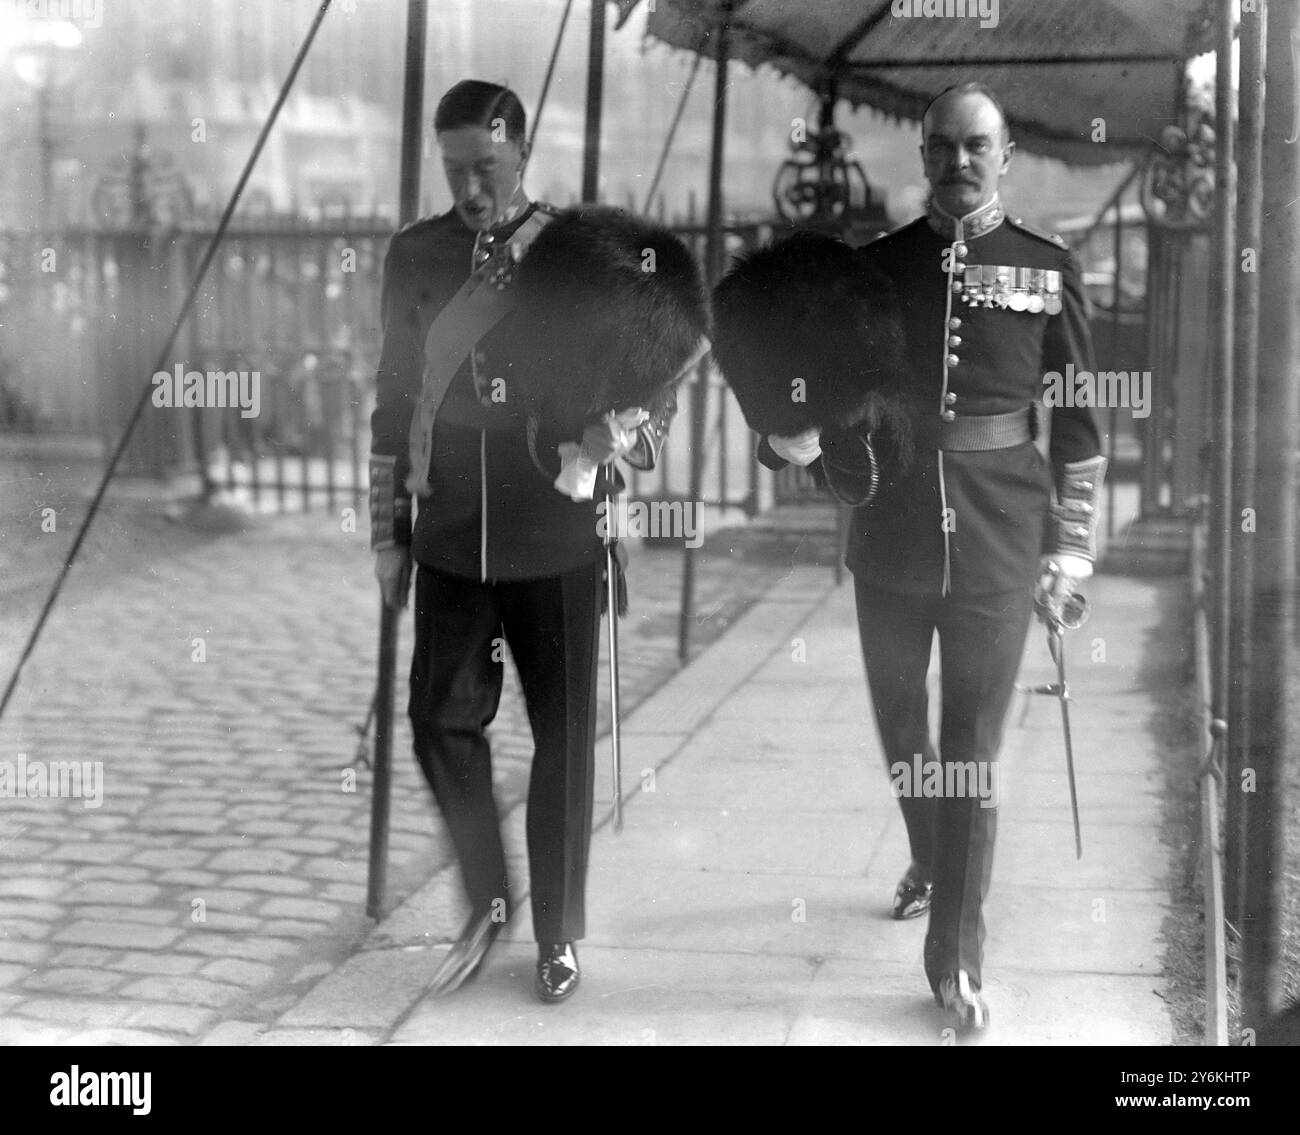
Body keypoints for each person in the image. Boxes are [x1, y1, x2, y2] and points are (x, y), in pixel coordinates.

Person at [760, 82, 1106, 1031]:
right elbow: (822, 396)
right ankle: (928, 850)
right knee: (902, 731)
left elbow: (1078, 426)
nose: (961, 163)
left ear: (1006, 156)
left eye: (979, 147)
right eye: (944, 147)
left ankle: (954, 958)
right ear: (924, 155)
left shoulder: (1048, 266)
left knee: (971, 758)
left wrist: (1070, 550)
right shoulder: (876, 270)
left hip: (1000, 537)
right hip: (893, 535)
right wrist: (787, 436)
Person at [368, 80, 675, 1004]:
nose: (470, 189)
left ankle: (560, 932)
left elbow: (653, 365)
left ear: (521, 153)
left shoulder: (576, 253)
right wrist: (389, 528)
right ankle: (487, 896)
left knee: (565, 738)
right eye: (454, 169)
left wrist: (623, 436)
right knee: (437, 721)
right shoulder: (416, 254)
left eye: (487, 169)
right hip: (454, 520)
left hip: (556, 520)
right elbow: (391, 391)